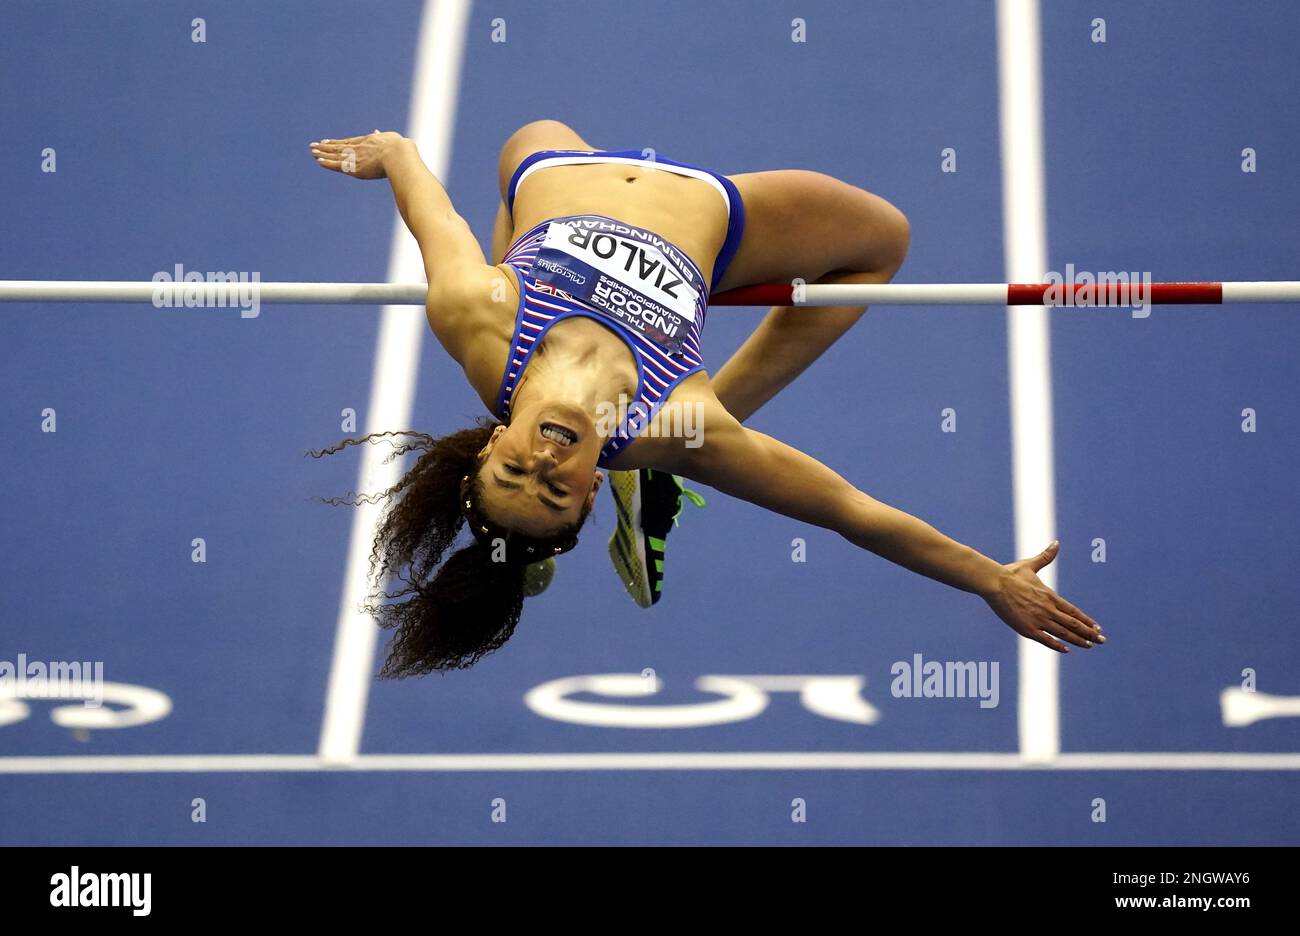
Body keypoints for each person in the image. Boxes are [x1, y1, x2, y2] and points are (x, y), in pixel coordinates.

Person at [308, 120, 1102, 677]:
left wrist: (393, 152)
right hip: (714, 211)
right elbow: (848, 511)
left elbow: (428, 208)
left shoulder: (476, 317)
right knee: (883, 240)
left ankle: (638, 487)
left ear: (490, 444)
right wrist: (988, 579)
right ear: (586, 498)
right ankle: (651, 480)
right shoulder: (676, 423)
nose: (544, 459)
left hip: (549, 173)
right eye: (555, 488)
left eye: (515, 471)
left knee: (529, 135)